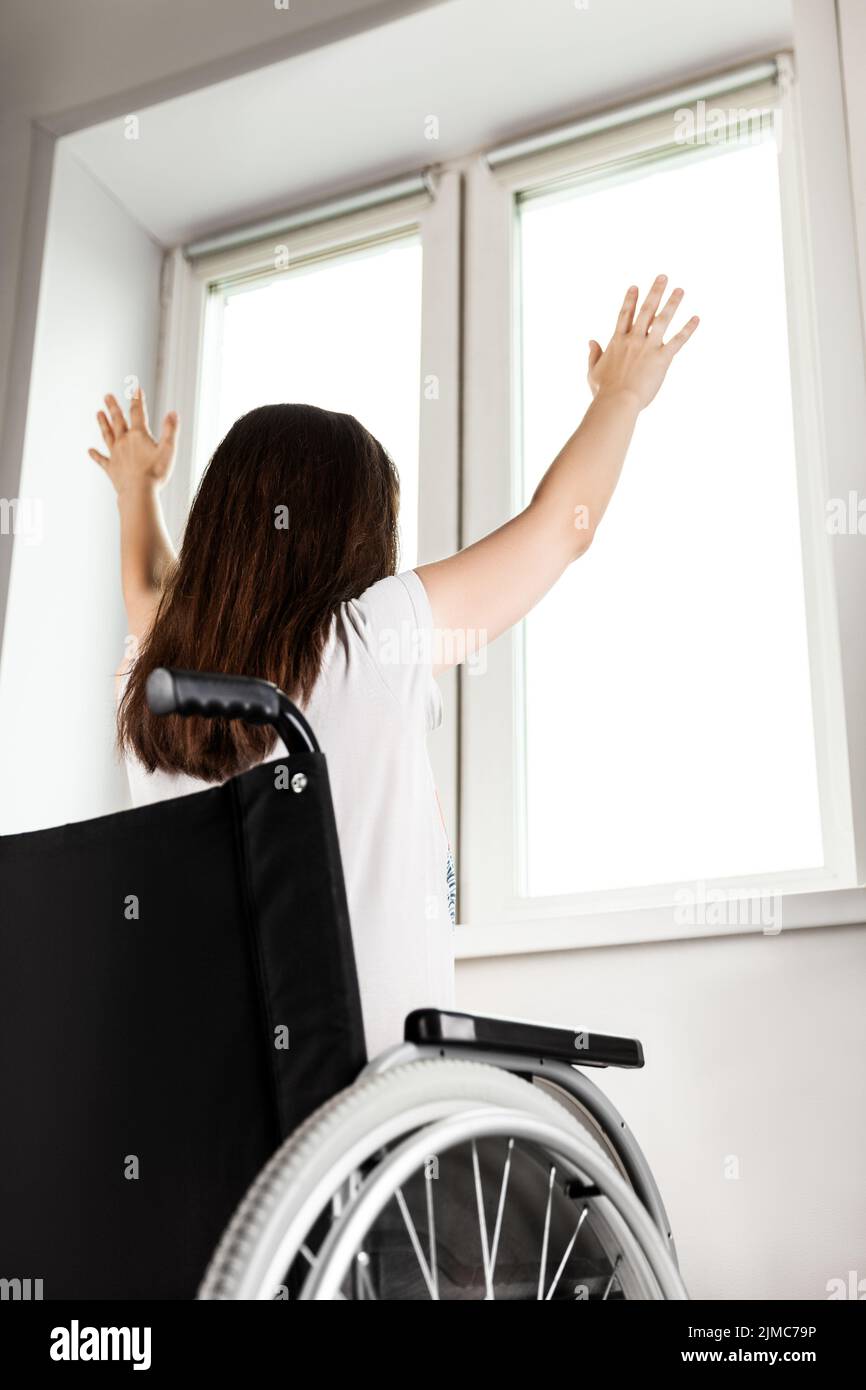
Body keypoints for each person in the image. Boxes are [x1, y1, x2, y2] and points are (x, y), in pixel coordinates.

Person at [90, 276, 698, 1055]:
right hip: (368, 1099)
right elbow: (559, 531)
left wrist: (135, 488)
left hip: (208, 1094)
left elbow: (149, 588)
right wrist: (622, 396)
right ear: (356, 537)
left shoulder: (150, 680)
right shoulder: (371, 639)